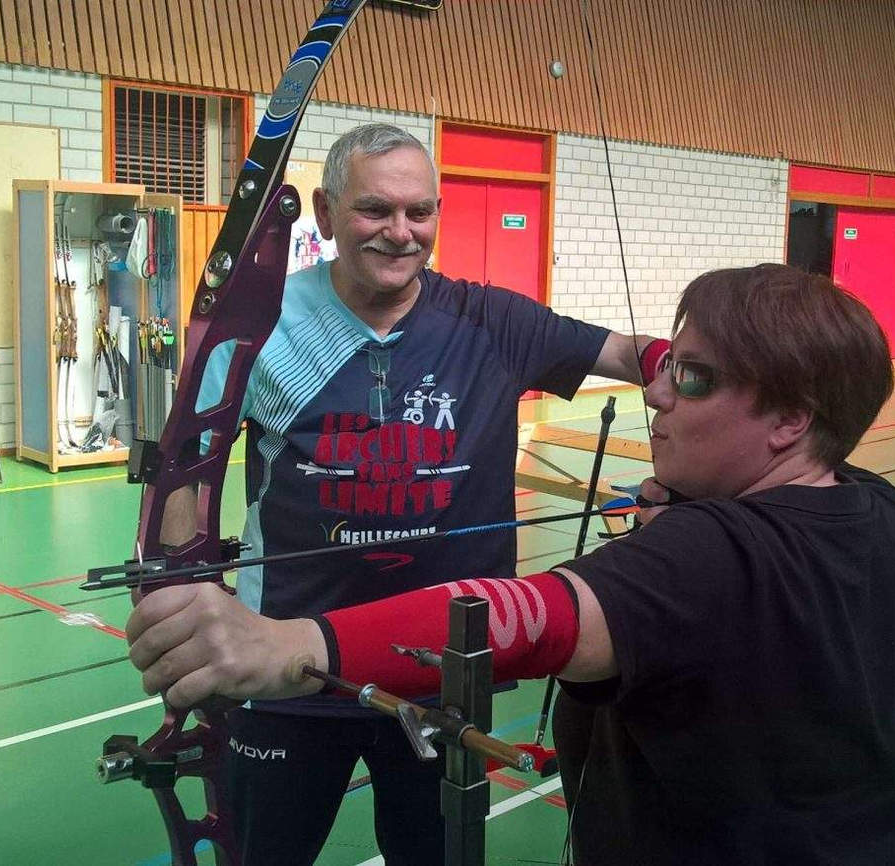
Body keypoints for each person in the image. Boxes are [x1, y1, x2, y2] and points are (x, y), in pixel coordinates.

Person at [133, 263, 895, 865]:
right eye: (668, 369)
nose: (658, 395)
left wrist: (288, 646)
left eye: (692, 379)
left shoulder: (705, 554)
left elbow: (524, 620)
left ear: (790, 419)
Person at [168, 122, 658, 865]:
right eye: (375, 211)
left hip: (443, 673)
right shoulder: (257, 328)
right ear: (327, 215)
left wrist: (724, 354)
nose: (401, 233)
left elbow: (630, 355)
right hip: (287, 669)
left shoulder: (492, 321)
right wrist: (181, 598)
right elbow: (187, 474)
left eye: (419, 212)